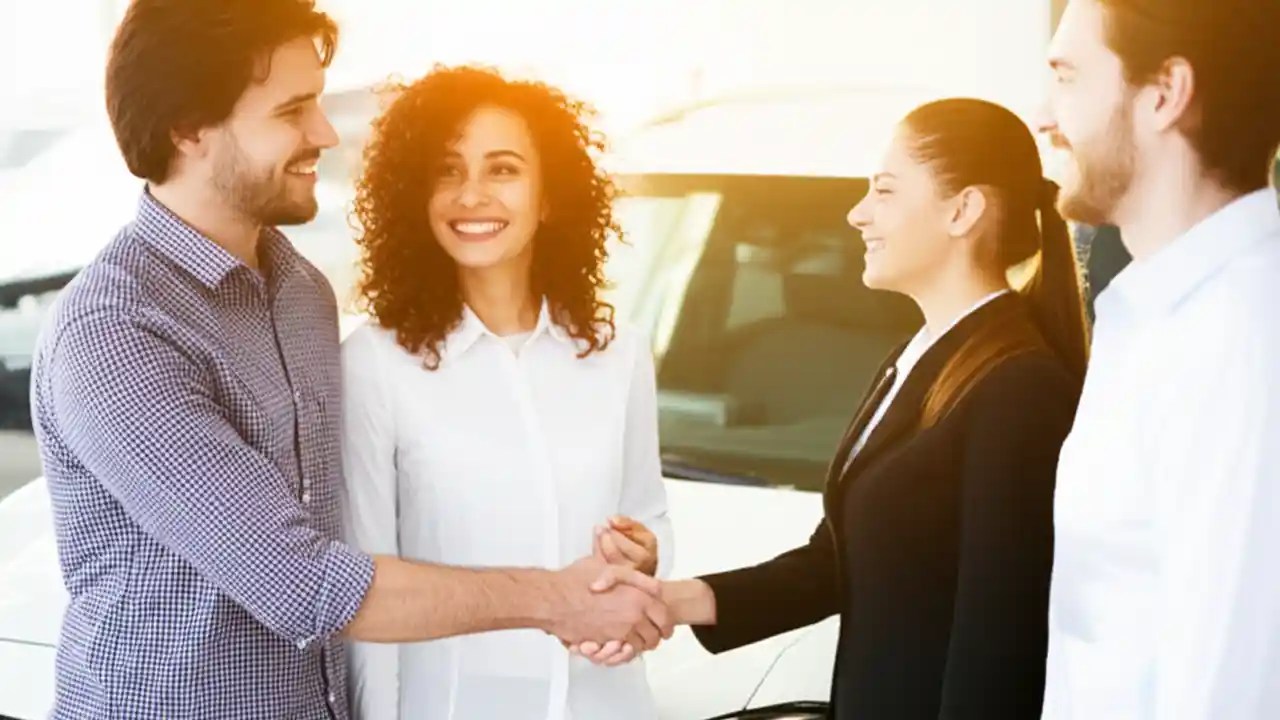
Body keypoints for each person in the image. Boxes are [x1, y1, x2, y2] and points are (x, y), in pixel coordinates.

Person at [28, 3, 667, 718]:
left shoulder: (299, 290)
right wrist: (560, 600)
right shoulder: (115, 332)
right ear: (188, 128)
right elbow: (302, 581)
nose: (325, 135)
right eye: (293, 110)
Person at [582, 97, 1089, 718]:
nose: (858, 214)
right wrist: (672, 599)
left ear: (963, 210)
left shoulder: (1020, 389)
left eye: (884, 191)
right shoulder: (922, 356)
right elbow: (839, 562)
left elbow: (1000, 639)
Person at [339, 66, 672, 720]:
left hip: (605, 704)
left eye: (503, 169)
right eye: (447, 170)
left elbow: (650, 516)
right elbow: (365, 589)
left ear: (549, 196)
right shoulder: (375, 365)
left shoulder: (618, 354)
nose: (472, 196)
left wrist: (645, 554)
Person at [1036, 1, 1280, 717]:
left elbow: (1232, 690)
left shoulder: (1242, 335)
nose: (1043, 116)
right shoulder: (1156, 316)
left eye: (1067, 76)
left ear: (1165, 94)